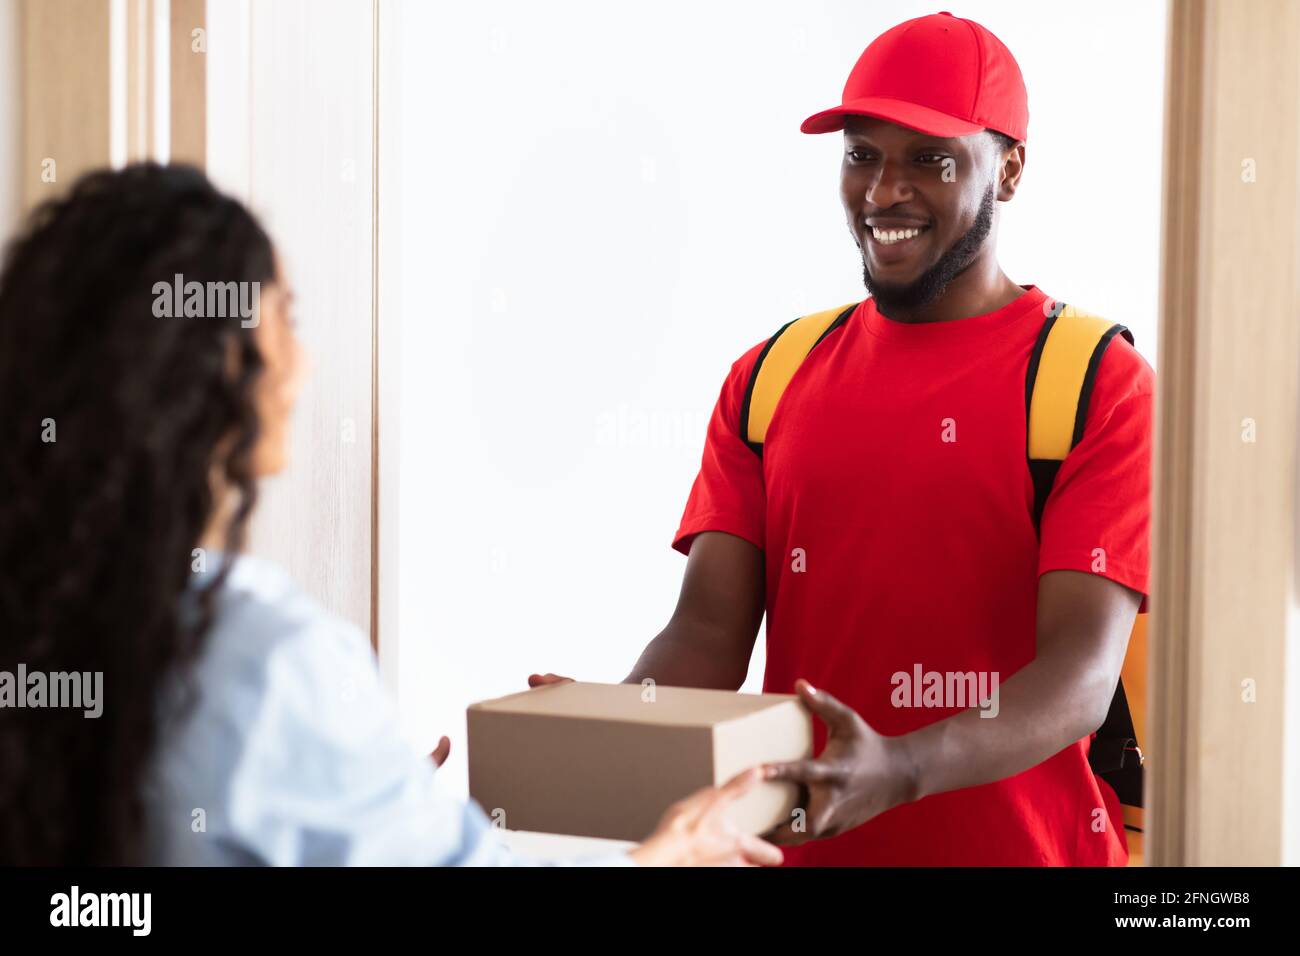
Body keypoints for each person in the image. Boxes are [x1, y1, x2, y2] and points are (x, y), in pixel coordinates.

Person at [0, 163, 782, 867]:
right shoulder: (264, 660)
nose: (302, 366)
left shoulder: (47, 612)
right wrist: (672, 859)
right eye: (289, 320)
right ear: (215, 363)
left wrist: (375, 805)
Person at [533, 12, 1154, 866]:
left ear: (1008, 170)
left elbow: (1078, 679)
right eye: (864, 153)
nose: (883, 191)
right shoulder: (772, 376)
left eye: (930, 160)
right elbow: (708, 632)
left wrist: (898, 769)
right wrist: (615, 723)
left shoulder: (1091, 381)